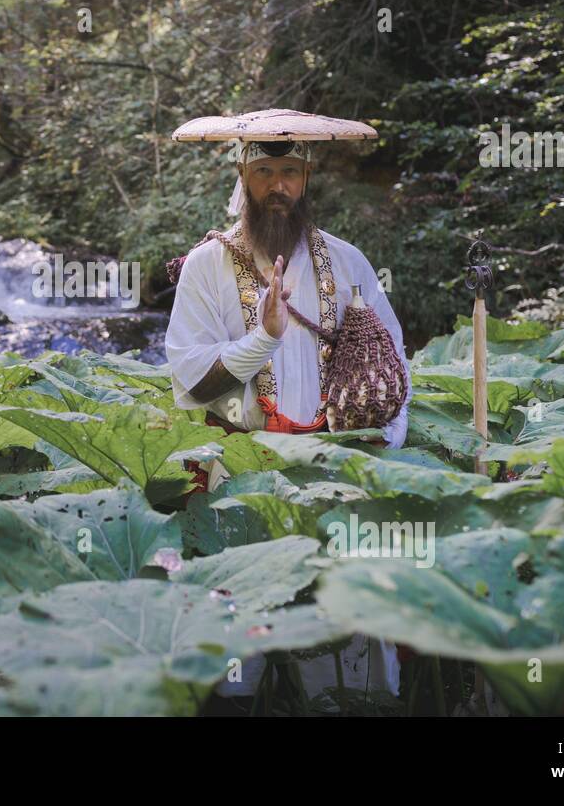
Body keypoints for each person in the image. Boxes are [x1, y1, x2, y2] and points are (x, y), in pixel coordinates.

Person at [164, 137, 411, 711]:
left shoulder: (348, 262)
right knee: (234, 660)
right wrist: (264, 338)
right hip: (237, 481)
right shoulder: (207, 265)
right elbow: (191, 383)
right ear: (242, 177)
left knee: (341, 649)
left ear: (307, 178)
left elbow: (391, 367)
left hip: (334, 476)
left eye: (291, 172)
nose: (279, 186)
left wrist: (380, 445)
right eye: (265, 171)